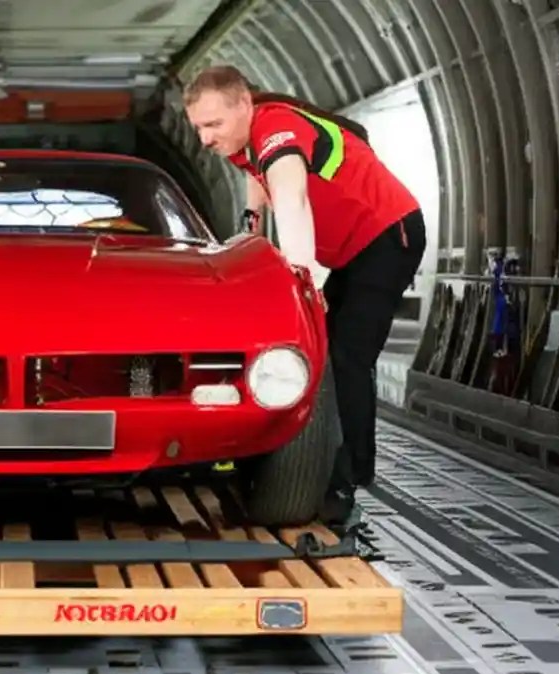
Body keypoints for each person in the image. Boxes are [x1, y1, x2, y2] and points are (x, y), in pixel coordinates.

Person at [182, 66, 426, 526]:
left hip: (388, 237)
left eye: (212, 125)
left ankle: (346, 481)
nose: (205, 140)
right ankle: (316, 464)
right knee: (324, 354)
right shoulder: (244, 139)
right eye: (197, 128)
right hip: (355, 248)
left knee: (348, 358)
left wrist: (306, 282)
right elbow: (259, 175)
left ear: (244, 105)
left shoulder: (276, 127)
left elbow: (292, 197)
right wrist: (250, 220)